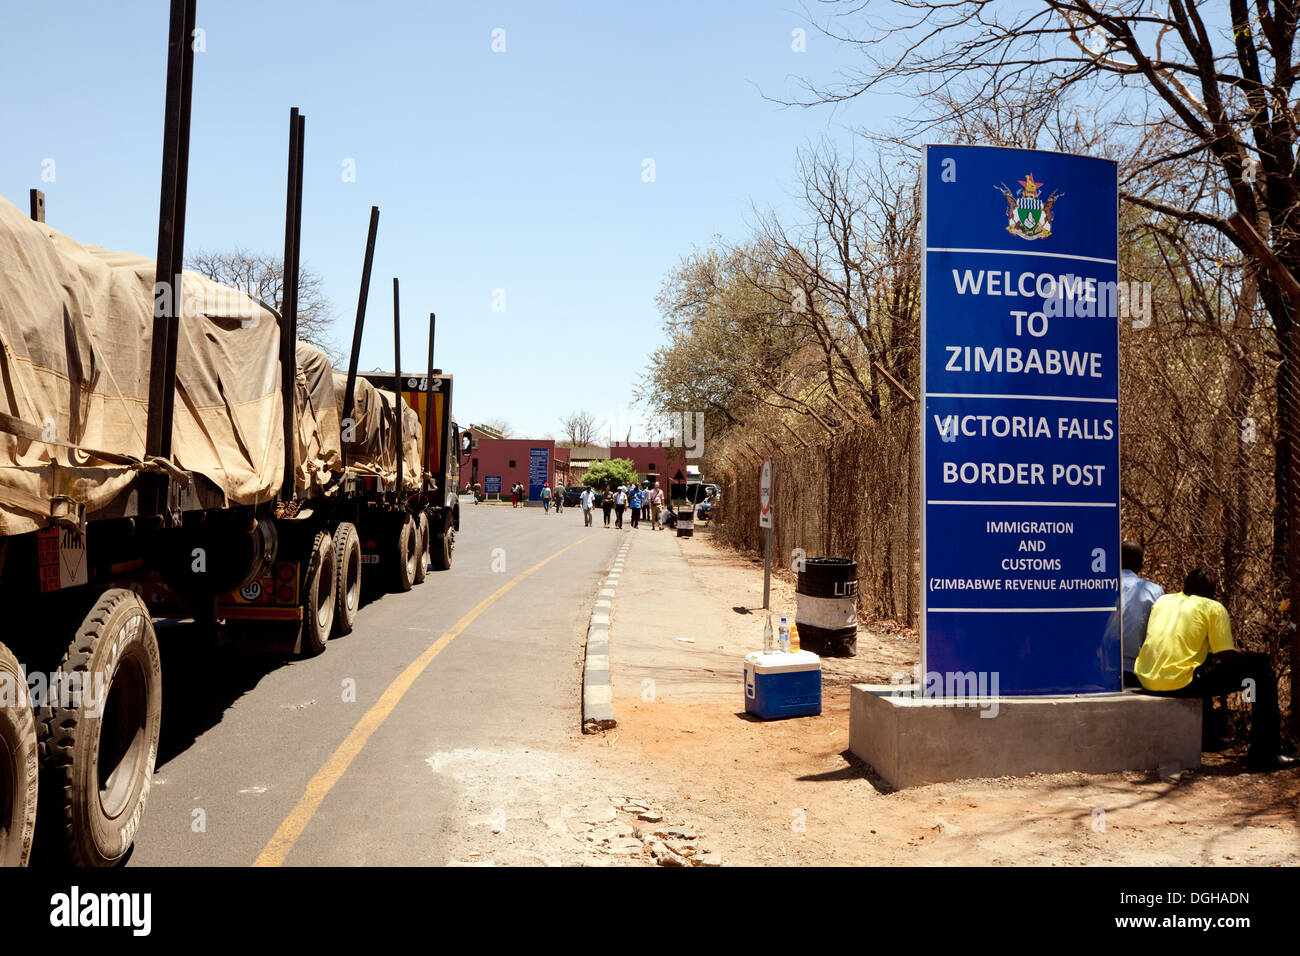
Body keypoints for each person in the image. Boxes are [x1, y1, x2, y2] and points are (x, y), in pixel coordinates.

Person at [1136, 568, 1294, 771]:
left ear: (1185, 587)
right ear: (1213, 592)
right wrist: (1255, 657)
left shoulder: (1164, 601)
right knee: (1261, 673)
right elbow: (1227, 658)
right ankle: (1265, 754)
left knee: (1203, 666)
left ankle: (1211, 736)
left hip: (1147, 678)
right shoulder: (1213, 607)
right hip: (1179, 683)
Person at [1120, 541, 1163, 687]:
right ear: (1141, 565)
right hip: (1136, 672)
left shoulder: (1098, 587)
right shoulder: (1154, 591)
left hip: (1101, 671)